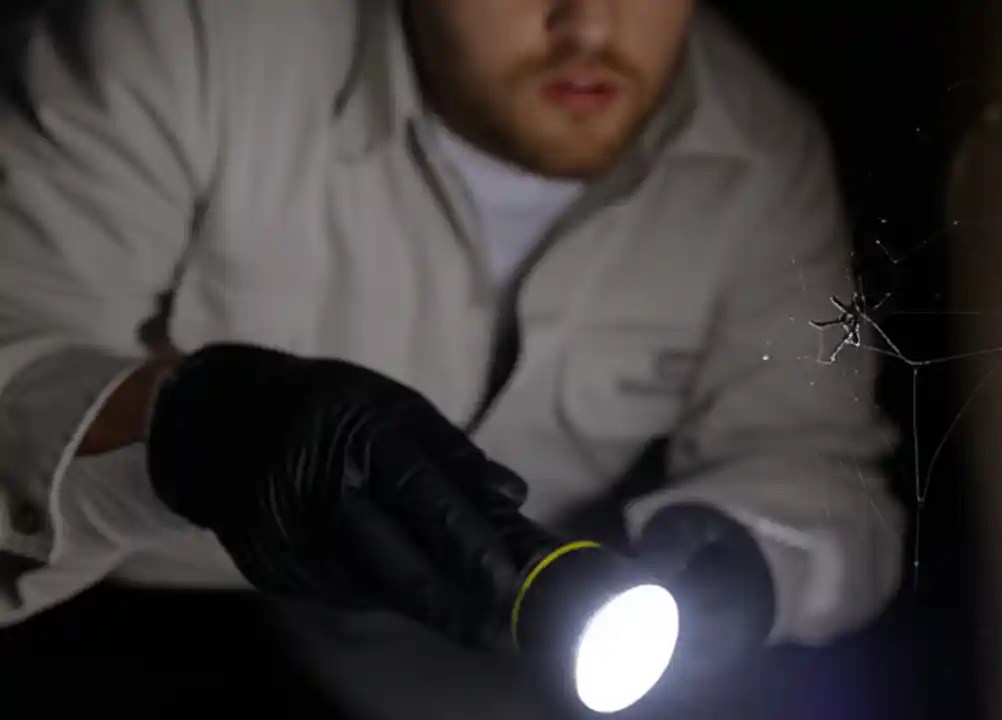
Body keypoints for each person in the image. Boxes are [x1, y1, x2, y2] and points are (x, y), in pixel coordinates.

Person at [0, 0, 905, 716]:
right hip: (110, 602)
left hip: (483, 668)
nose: (590, 23)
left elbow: (822, 468)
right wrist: (194, 432)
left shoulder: (764, 159)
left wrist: (751, 559)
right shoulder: (183, 37)